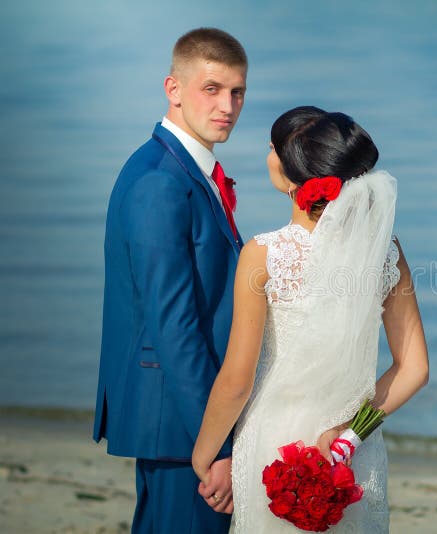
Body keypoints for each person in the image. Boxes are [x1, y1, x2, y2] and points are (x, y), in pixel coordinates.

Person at [191, 106, 430, 532]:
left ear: (291, 173)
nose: (266, 155)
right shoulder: (384, 253)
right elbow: (414, 368)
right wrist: (348, 436)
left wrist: (203, 454)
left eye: (271, 148)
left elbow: (237, 380)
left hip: (273, 442)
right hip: (349, 450)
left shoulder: (263, 256)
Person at [93, 28, 247, 532]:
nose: (227, 105)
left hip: (182, 418)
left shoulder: (183, 169)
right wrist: (217, 443)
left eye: (237, 91)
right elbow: (174, 325)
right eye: (212, 89)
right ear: (173, 89)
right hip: (182, 425)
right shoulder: (161, 180)